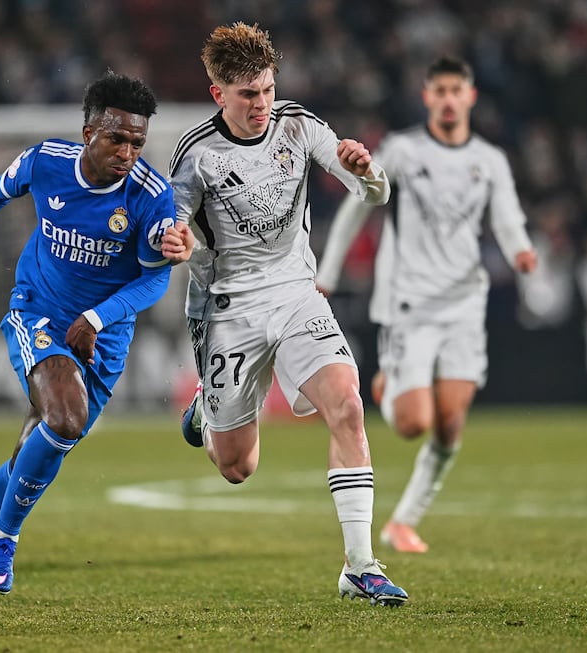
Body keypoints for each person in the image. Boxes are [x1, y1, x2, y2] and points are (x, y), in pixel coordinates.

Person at [0, 71, 194, 600]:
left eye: (137, 142)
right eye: (117, 138)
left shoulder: (151, 197)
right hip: (39, 311)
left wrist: (97, 319)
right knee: (64, 417)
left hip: (102, 336)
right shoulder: (45, 161)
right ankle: (4, 535)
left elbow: (155, 278)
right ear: (89, 131)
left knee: (40, 445)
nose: (128, 151)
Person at [170, 22, 407, 607]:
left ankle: (360, 566)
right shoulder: (195, 154)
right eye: (248, 94)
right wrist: (174, 242)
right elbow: (173, 230)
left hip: (297, 292)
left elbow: (373, 193)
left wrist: (366, 169)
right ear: (218, 94)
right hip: (228, 307)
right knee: (236, 467)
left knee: (348, 405)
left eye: (268, 90)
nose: (261, 105)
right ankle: (210, 402)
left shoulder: (297, 126)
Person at [316, 55, 538, 554]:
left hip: (464, 302)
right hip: (409, 302)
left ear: (470, 97)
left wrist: (520, 250)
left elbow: (505, 219)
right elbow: (359, 204)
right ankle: (387, 383)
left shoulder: (490, 160)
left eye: (455, 90)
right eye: (438, 90)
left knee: (451, 420)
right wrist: (328, 270)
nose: (447, 99)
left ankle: (403, 523)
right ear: (427, 96)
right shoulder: (402, 150)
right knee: (415, 422)